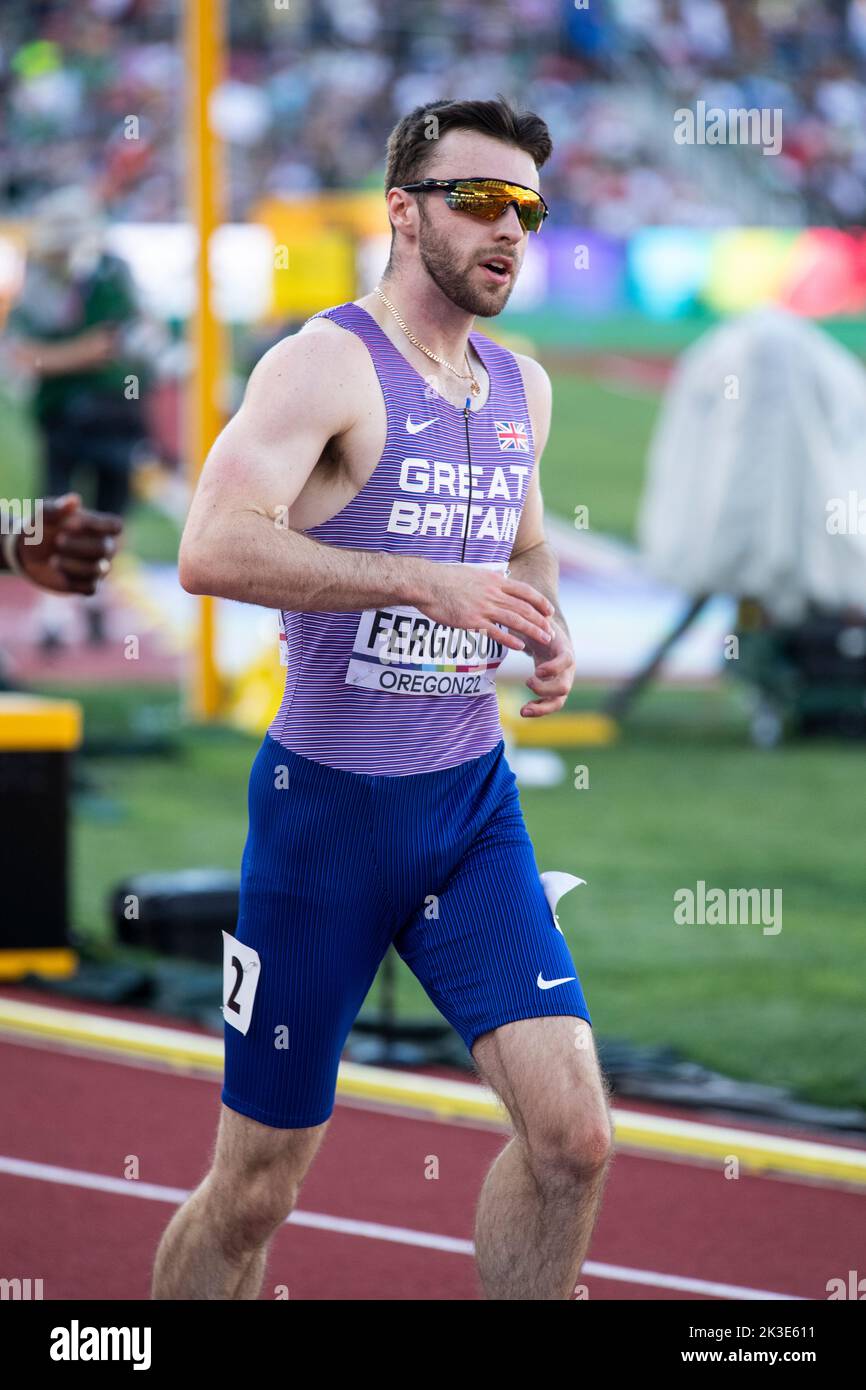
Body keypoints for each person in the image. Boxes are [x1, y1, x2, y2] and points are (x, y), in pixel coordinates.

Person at [154, 97, 613, 1302]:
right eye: (479, 200)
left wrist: (541, 623)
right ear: (403, 212)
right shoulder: (324, 363)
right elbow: (210, 549)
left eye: (527, 208)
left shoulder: (522, 386)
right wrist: (419, 580)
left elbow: (521, 549)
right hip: (325, 823)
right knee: (255, 1187)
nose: (508, 228)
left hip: (468, 811)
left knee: (572, 1140)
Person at [6, 186, 148, 647]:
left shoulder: (109, 272)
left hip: (110, 413)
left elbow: (111, 345)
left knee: (106, 516)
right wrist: (71, 356)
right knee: (58, 513)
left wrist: (55, 358)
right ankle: (55, 612)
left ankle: (90, 602)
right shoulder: (39, 280)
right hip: (65, 415)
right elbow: (29, 353)